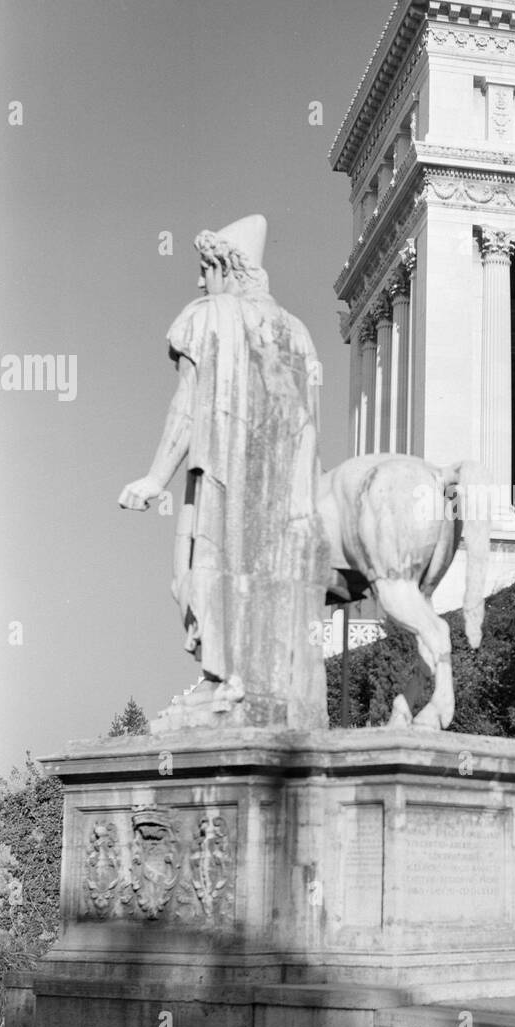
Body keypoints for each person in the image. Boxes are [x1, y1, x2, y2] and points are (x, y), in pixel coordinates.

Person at [119, 215, 327, 727]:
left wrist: (155, 478)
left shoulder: (208, 316)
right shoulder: (299, 332)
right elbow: (311, 423)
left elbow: (187, 405)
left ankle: (224, 685)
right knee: (270, 585)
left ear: (225, 268)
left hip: (225, 479)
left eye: (204, 268)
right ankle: (267, 691)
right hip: (287, 496)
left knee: (198, 573)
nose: (199, 280)